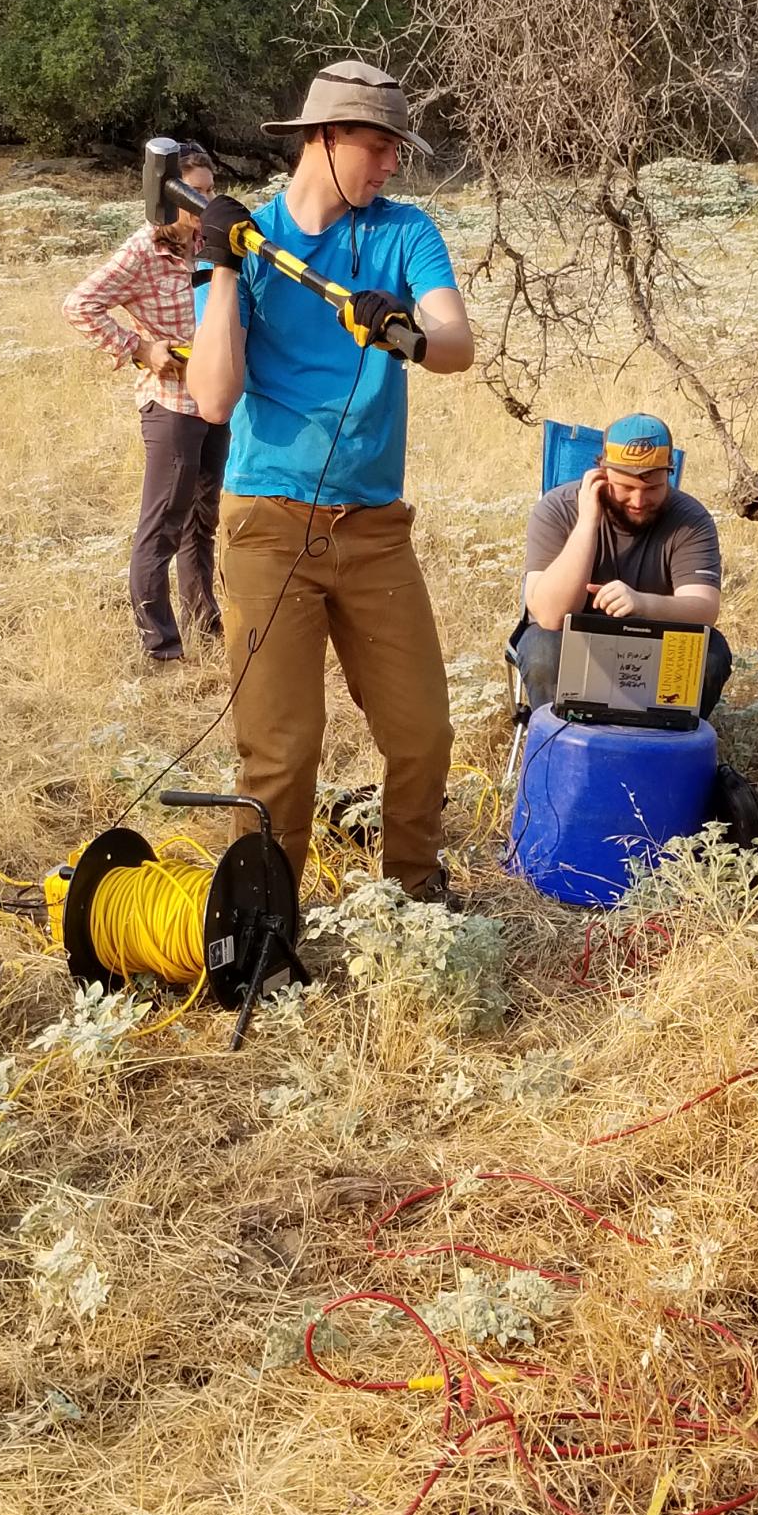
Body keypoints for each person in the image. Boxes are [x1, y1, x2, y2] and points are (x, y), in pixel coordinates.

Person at [186, 60, 475, 898]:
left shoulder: (405, 232)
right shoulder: (250, 241)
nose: (391, 164)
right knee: (282, 750)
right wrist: (223, 265)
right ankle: (263, 920)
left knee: (422, 732)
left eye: (397, 149)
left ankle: (416, 891)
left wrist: (404, 332)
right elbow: (211, 397)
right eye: (379, 145)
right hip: (267, 528)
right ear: (321, 137)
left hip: (376, 529)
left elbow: (457, 345)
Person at [62, 143, 229, 663]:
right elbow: (79, 304)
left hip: (215, 401)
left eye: (209, 190)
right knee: (162, 525)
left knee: (203, 520)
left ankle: (206, 622)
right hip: (171, 405)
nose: (205, 202)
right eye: (194, 193)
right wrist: (139, 348)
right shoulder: (142, 251)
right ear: (166, 196)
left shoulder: (214, 246)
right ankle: (161, 646)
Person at [518, 412, 732, 714]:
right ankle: (564, 749)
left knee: (710, 653)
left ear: (668, 475)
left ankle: (665, 748)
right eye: (626, 488)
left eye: (653, 489)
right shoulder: (557, 508)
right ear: (601, 474)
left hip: (651, 643)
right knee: (543, 649)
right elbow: (551, 616)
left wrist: (642, 603)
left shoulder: (690, 519)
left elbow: (704, 610)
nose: (639, 501)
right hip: (573, 642)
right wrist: (587, 522)